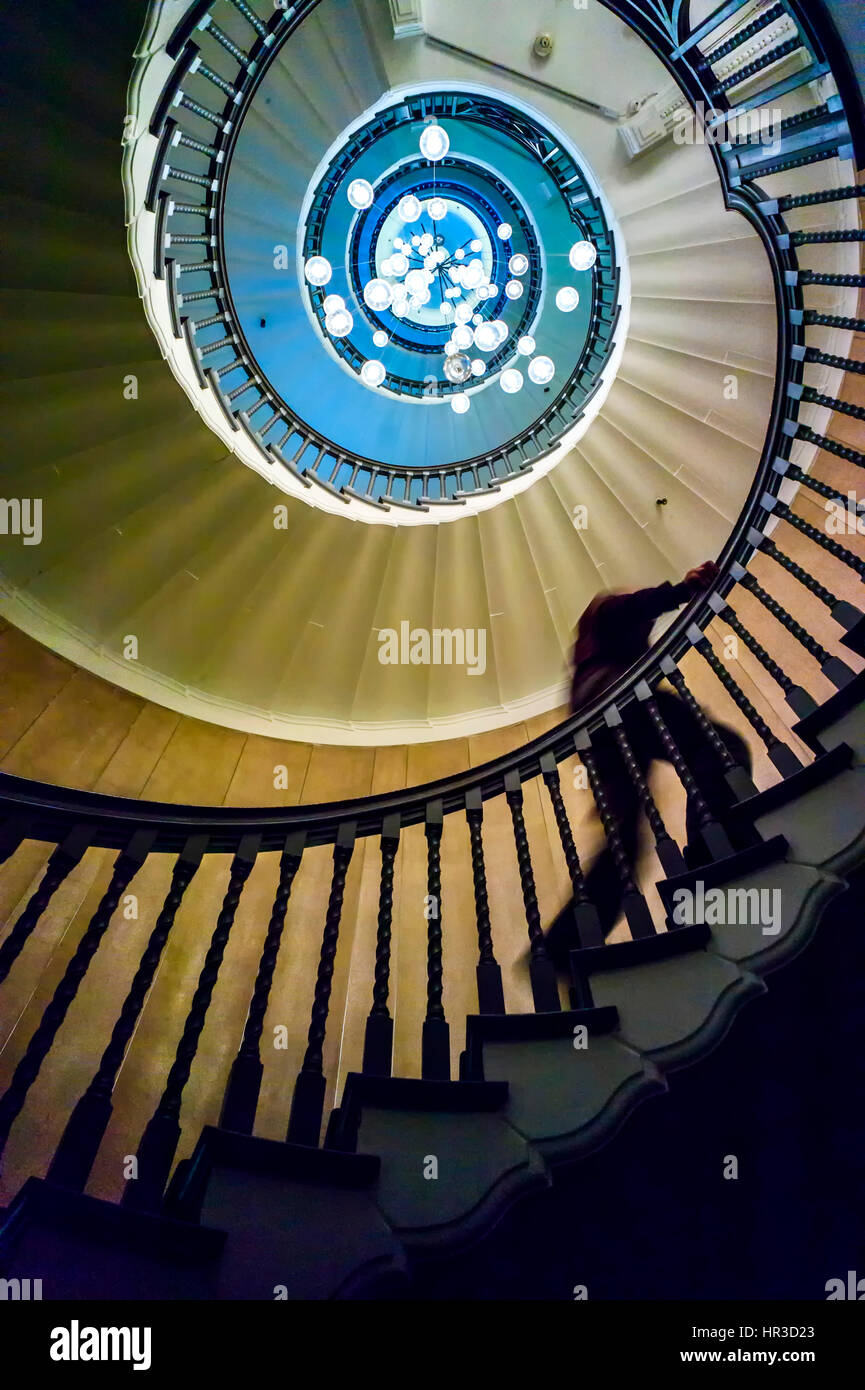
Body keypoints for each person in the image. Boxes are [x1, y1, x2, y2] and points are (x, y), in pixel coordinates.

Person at [543, 561, 753, 969]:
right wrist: (680, 591)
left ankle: (560, 953)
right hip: (620, 700)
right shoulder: (604, 614)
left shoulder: (594, 655)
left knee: (625, 844)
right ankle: (709, 863)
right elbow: (633, 607)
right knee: (720, 748)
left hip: (596, 726)